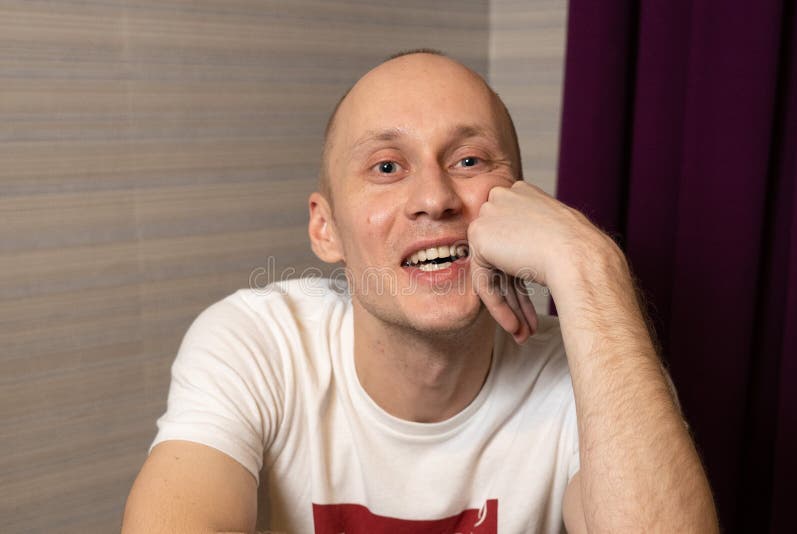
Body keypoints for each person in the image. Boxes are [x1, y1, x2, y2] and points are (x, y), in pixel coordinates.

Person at [122, 50, 718, 533]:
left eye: (469, 161)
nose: (435, 198)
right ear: (326, 229)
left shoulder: (595, 371)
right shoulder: (257, 344)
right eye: (387, 167)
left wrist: (590, 266)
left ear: (523, 208)